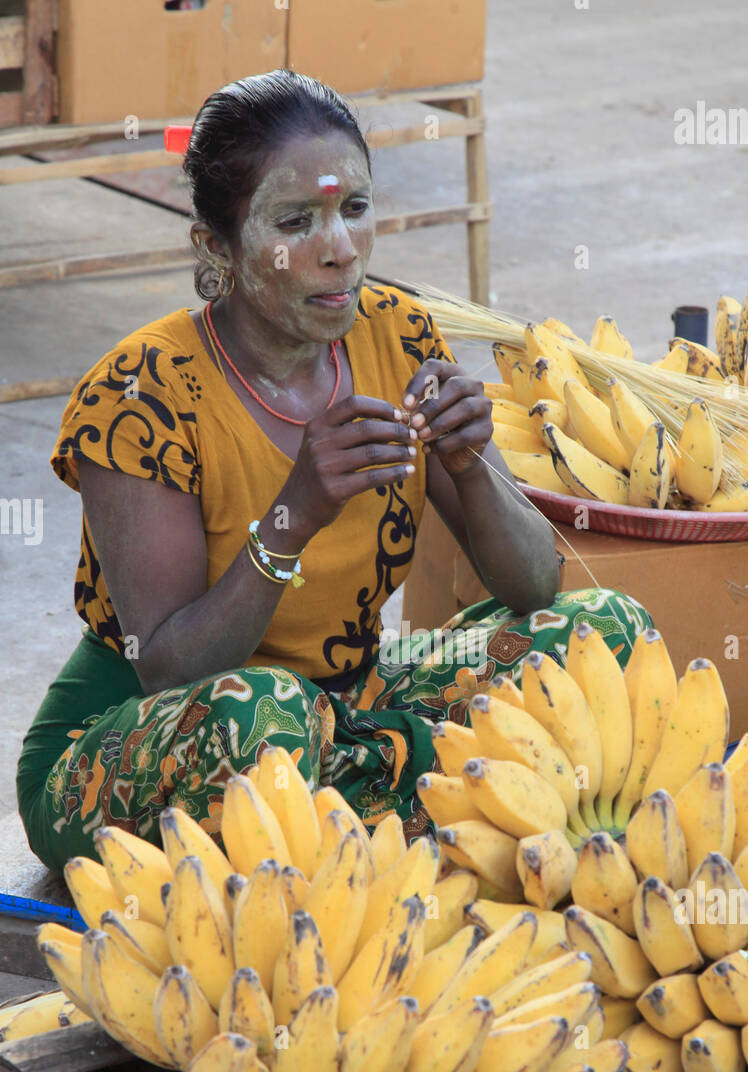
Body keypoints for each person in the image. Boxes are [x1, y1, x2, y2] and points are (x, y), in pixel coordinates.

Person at [16, 70, 650, 873]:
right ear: (217, 248)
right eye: (295, 222)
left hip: (352, 705)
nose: (340, 249)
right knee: (266, 714)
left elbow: (532, 587)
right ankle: (445, 801)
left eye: (354, 209)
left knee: (604, 633)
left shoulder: (400, 335)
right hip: (155, 734)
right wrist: (295, 513)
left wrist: (471, 466)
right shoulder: (143, 394)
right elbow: (169, 665)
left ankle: (376, 806)